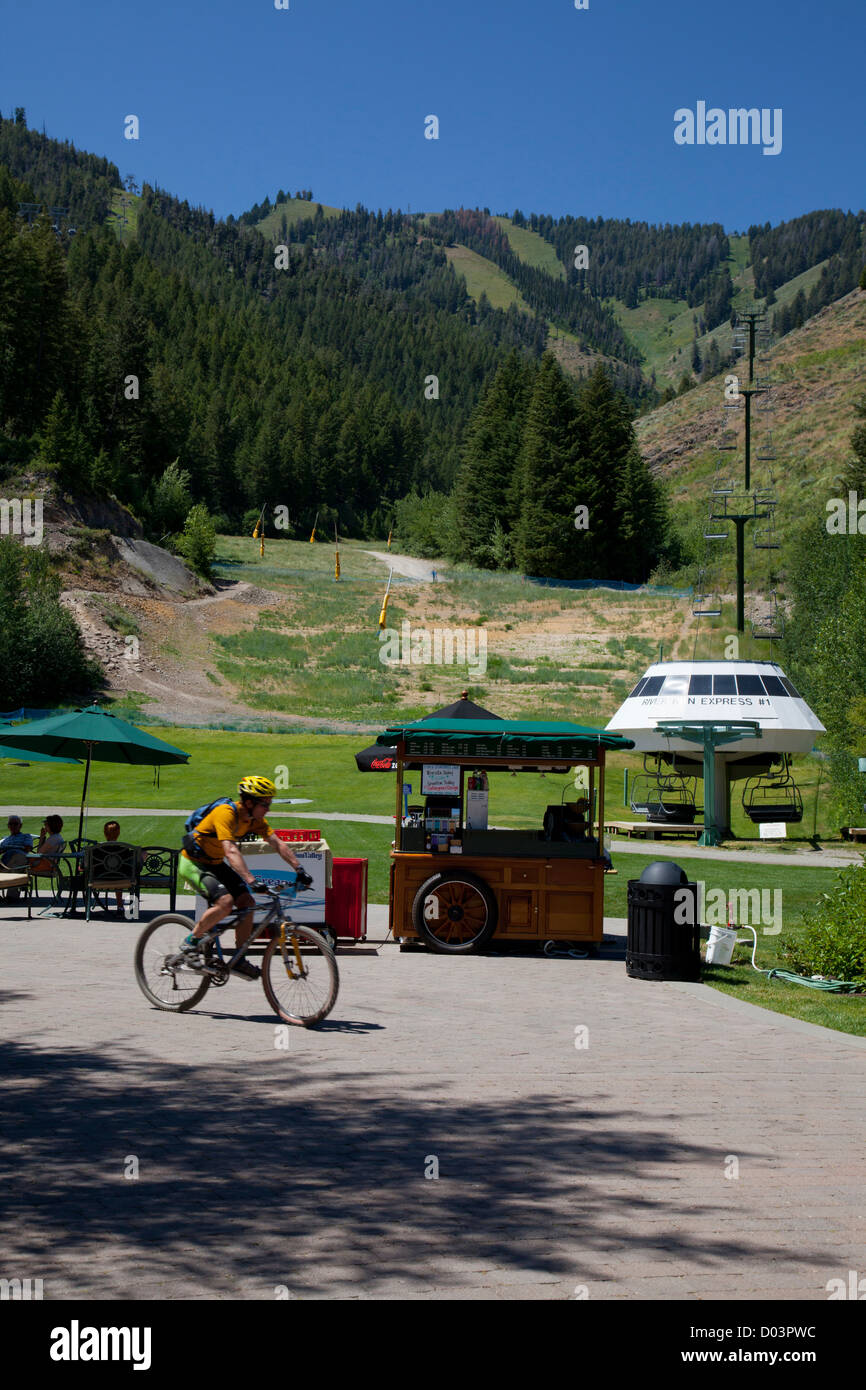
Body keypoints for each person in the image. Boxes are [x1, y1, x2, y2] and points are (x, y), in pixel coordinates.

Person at [177, 776, 311, 981]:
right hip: (194, 863)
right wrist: (250, 879)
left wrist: (299, 869)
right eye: (265, 804)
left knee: (247, 902)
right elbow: (230, 850)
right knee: (225, 902)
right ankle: (190, 943)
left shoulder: (255, 820)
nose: (268, 808)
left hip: (215, 863)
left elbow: (277, 843)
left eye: (270, 803)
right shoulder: (225, 813)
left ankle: (238, 959)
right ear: (249, 802)